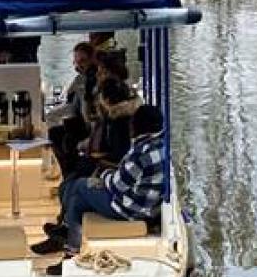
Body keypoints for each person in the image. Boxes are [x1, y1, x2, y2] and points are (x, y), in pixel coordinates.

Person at [33, 103, 167, 255]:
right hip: (144, 205)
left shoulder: (141, 153)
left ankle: (66, 236)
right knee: (77, 200)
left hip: (130, 209)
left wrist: (103, 176)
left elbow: (117, 186)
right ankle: (68, 242)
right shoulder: (159, 145)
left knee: (80, 185)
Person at [47, 42, 100, 178]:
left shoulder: (96, 80)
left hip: (94, 127)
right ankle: (68, 174)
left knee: (67, 140)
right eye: (76, 62)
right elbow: (72, 104)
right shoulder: (80, 80)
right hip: (82, 121)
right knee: (56, 133)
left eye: (83, 61)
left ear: (92, 59)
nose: (79, 66)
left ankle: (72, 175)